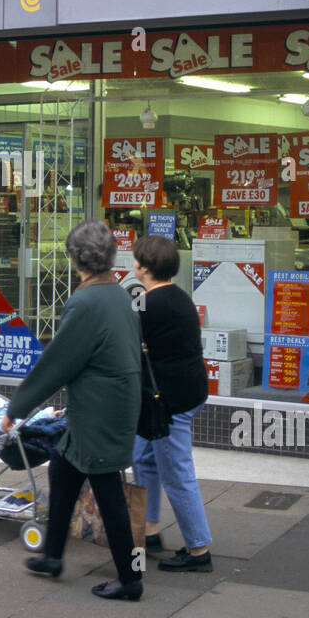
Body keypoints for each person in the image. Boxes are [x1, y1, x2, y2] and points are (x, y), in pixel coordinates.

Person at [0, 220, 143, 601]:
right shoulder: (118, 293)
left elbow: (57, 363)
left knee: (109, 492)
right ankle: (52, 556)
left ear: (75, 258)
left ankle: (131, 578)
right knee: (64, 468)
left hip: (99, 410)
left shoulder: (86, 302)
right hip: (112, 404)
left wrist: (17, 407)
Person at [131, 234, 213, 572]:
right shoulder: (178, 297)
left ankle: (198, 550)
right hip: (181, 393)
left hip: (169, 402)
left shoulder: (149, 304)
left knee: (177, 473)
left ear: (143, 267)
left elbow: (127, 340)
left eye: (136, 259)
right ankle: (149, 530)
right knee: (143, 456)